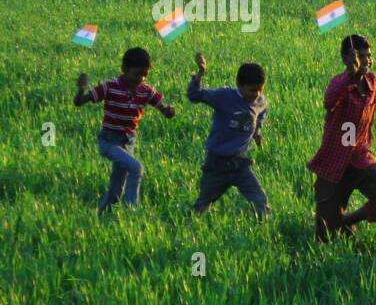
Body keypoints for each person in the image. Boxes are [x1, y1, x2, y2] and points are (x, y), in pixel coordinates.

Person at [307, 34, 376, 242]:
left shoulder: (373, 83)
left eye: (369, 56)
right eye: (360, 56)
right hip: (333, 162)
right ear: (346, 59)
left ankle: (345, 222)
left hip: (360, 157)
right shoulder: (339, 84)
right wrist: (349, 75)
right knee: (324, 237)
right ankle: (336, 226)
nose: (367, 60)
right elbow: (329, 101)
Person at [74, 47, 176, 215]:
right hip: (109, 141)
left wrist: (169, 111)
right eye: (137, 74)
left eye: (145, 75)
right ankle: (131, 212)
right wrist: (81, 89)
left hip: (128, 141)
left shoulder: (146, 90)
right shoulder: (110, 87)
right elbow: (79, 102)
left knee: (116, 189)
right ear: (124, 69)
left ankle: (102, 219)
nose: (141, 78)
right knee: (136, 168)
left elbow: (164, 110)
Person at [188, 52, 270, 217]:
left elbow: (262, 111)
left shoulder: (260, 101)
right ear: (239, 85)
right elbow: (195, 96)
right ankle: (188, 224)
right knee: (203, 203)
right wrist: (200, 73)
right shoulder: (224, 96)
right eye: (252, 90)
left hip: (240, 163)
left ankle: (266, 228)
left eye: (260, 90)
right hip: (217, 162)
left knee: (259, 198)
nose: (257, 94)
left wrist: (257, 132)